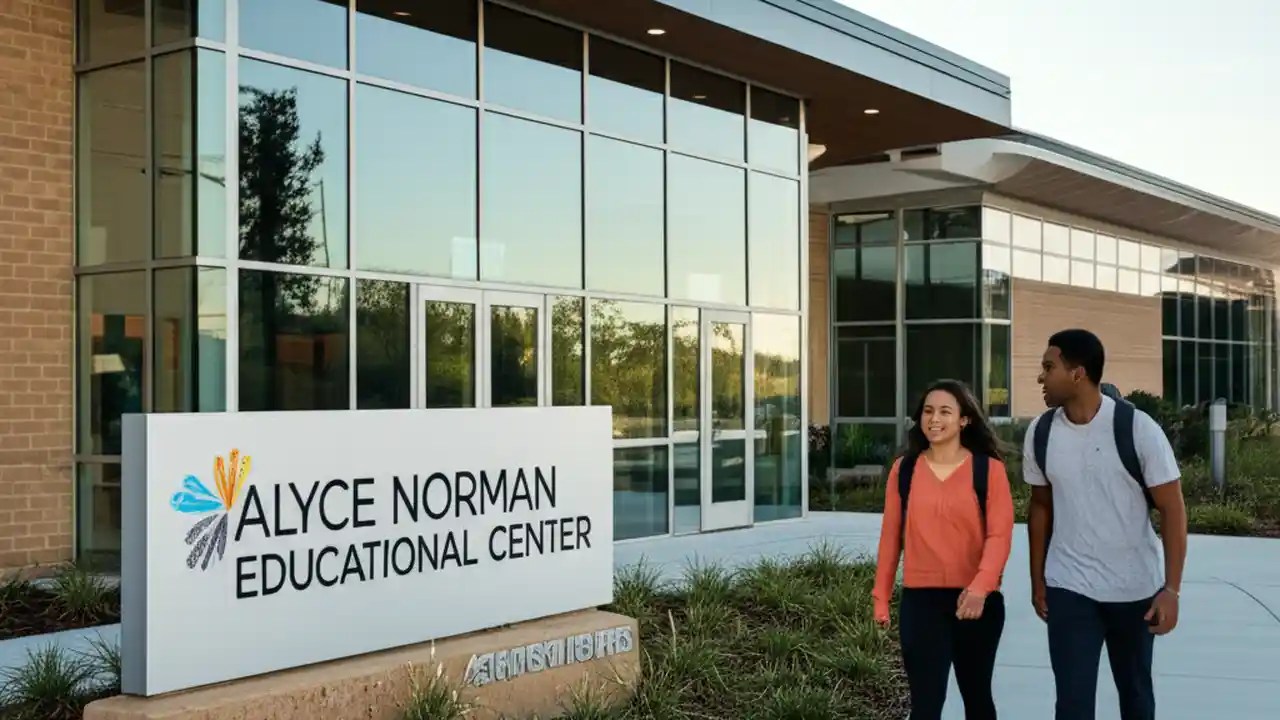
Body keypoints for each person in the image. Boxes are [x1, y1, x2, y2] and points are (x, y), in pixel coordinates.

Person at [1024, 329, 1188, 720]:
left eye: (1049, 367)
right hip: (1070, 587)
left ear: (1078, 373)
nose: (1041, 376)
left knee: (1135, 698)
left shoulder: (1137, 428)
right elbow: (1040, 507)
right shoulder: (1041, 432)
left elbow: (1173, 509)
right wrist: (1038, 580)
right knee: (1072, 705)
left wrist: (1171, 590)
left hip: (1135, 590)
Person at [874, 379, 1015, 720]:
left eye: (945, 412)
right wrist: (881, 597)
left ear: (964, 420)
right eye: (928, 411)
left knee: (977, 700)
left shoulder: (988, 469)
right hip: (921, 602)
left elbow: (999, 536)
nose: (934, 419)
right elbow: (891, 537)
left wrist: (980, 588)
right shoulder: (904, 470)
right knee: (925, 705)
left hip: (975, 602)